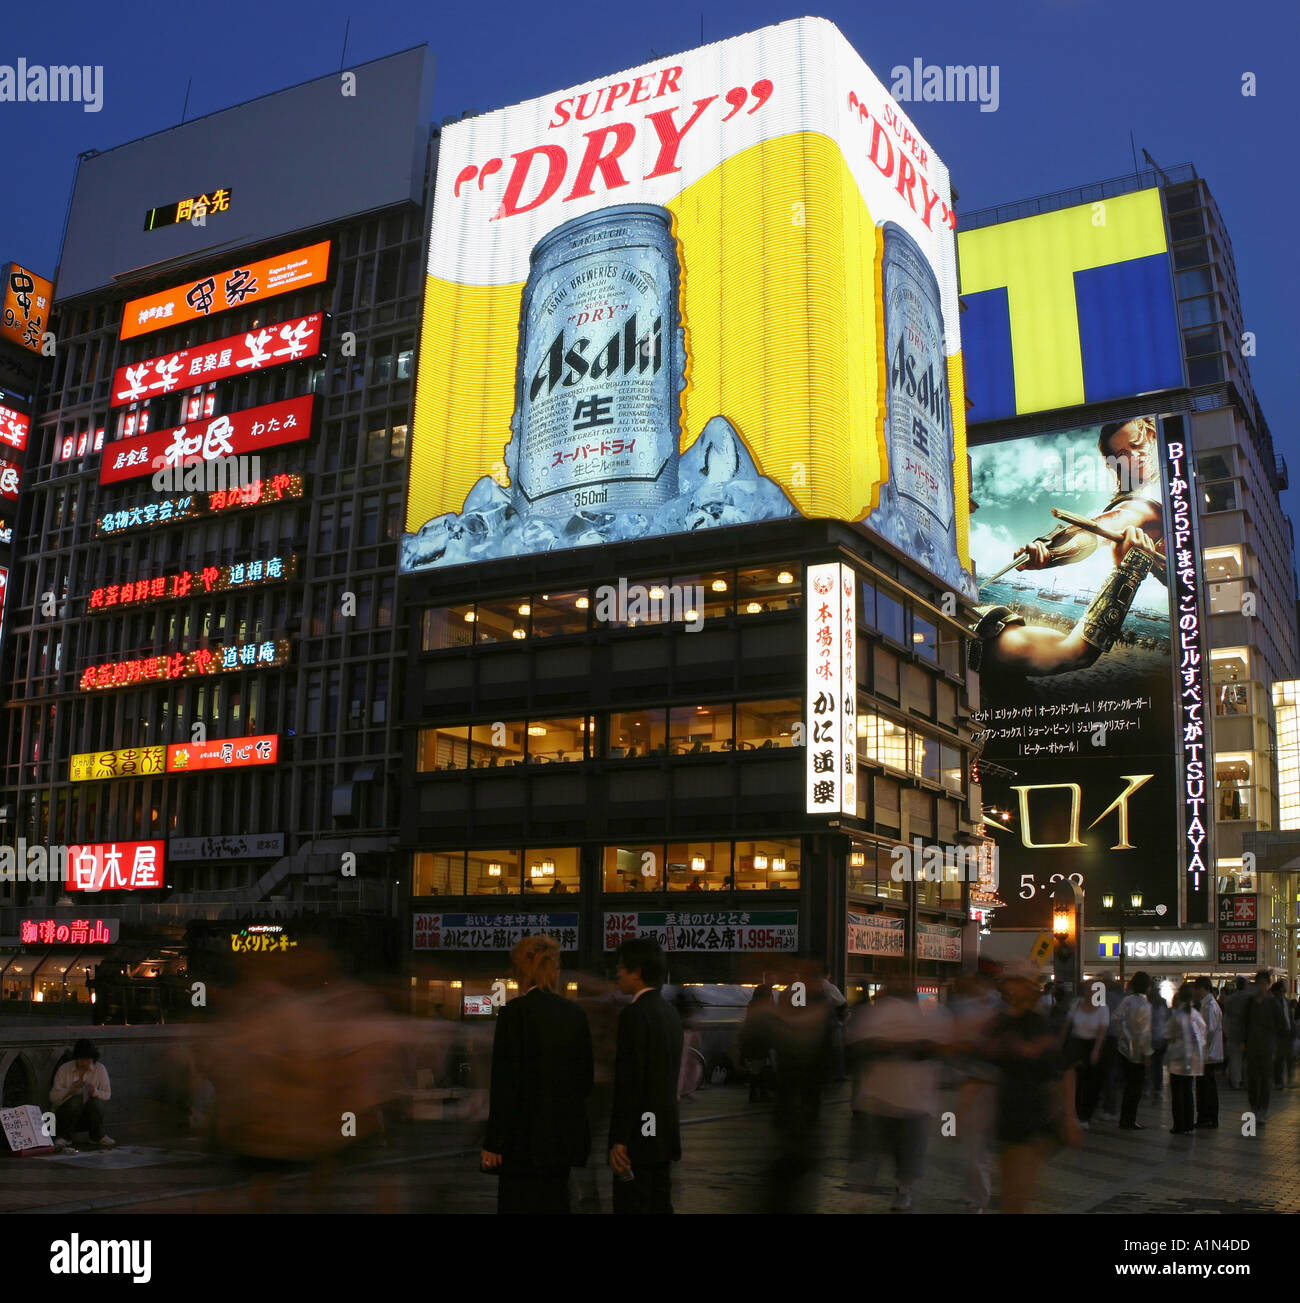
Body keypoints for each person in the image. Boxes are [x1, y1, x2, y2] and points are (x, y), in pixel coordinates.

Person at [481, 934, 594, 1213]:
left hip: (522, 1142)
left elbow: (505, 1083)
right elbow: (584, 1080)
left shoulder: (514, 1014)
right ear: (554, 970)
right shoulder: (575, 1014)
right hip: (561, 1141)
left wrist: (494, 1142)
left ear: (520, 972)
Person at [845, 979, 952, 1212]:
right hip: (904, 1099)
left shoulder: (877, 1015)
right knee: (903, 1151)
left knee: (876, 1150)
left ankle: (868, 1192)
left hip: (888, 1097)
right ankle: (895, 1190)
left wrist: (890, 1046)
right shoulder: (924, 1016)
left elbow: (858, 1047)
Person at [987, 961, 1081, 1213]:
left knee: (1017, 1194)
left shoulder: (1039, 1023)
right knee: (1009, 1192)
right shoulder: (1002, 1021)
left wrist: (1070, 1117)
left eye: (1016, 983)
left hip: (1032, 1114)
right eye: (1007, 983)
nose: (1010, 989)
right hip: (1007, 1112)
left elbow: (1065, 1069)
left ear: (1029, 988)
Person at [609, 937, 683, 1213]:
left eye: (621, 967)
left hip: (638, 1139)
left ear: (637, 971)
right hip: (663, 1135)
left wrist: (620, 1138)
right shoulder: (669, 1013)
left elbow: (631, 1081)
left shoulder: (634, 1014)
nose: (617, 973)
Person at [948, 973, 1003, 1213]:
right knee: (976, 1145)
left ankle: (977, 1197)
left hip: (985, 1083)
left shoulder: (997, 1009)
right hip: (972, 1081)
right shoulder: (964, 1007)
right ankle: (977, 1196)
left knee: (978, 1145)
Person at [50, 1039, 115, 1148]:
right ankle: (65, 1137)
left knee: (95, 1102)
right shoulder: (65, 1069)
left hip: (88, 1116)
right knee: (76, 1100)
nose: (83, 1063)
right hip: (65, 1115)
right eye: (80, 1059)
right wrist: (70, 1090)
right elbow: (52, 1097)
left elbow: (107, 1094)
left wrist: (94, 1091)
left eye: (87, 1060)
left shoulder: (100, 1069)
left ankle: (97, 1135)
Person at [1063, 981, 1109, 1128]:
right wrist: (1060, 1043)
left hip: (1094, 1044)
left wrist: (1096, 1050)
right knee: (1077, 1082)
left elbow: (1102, 1030)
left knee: (1092, 1083)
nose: (1090, 992)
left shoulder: (1103, 1008)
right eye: (1087, 990)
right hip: (1077, 1045)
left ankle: (1086, 1116)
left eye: (1093, 990)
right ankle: (1074, 1114)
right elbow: (1067, 1025)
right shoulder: (1077, 1005)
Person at [1243, 970, 1286, 1123]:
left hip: (1268, 1046)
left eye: (1263, 984)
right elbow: (1245, 1023)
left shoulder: (1274, 1003)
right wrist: (1244, 1042)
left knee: (1265, 1079)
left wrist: (1279, 1046)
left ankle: (1262, 1109)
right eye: (1258, 984)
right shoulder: (1250, 1002)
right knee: (1253, 1079)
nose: (1260, 987)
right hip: (1253, 1045)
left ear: (1268, 985)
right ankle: (1254, 1106)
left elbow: (1282, 1025)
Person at [1165, 983, 1206, 1135]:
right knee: (1188, 1092)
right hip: (1193, 1060)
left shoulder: (1178, 1015)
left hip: (1178, 1059)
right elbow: (1203, 1035)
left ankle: (1179, 1124)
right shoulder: (1196, 1015)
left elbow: (1168, 1034)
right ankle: (1189, 1124)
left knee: (1177, 1093)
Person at [1114, 973, 1153, 1129]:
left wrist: (1123, 1034)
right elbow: (1145, 1033)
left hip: (1124, 1049)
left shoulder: (1127, 1001)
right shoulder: (1145, 1006)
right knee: (1135, 1088)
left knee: (1128, 1086)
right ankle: (1129, 1120)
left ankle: (1125, 1118)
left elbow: (1115, 1018)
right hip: (1137, 1053)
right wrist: (1148, 1053)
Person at [1193, 977, 1223, 1128]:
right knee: (1207, 1086)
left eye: (1197, 989)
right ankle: (1208, 1117)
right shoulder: (1209, 1004)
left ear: (1203, 988)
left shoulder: (1209, 1005)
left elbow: (1209, 1029)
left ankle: (1207, 1117)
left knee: (1206, 1087)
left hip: (1207, 1054)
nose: (1196, 992)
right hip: (1209, 1053)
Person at [739, 984, 776, 1104]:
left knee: (756, 1067)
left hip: (752, 1039)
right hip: (761, 1040)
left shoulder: (753, 1005)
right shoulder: (766, 1008)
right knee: (760, 1066)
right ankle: (759, 1093)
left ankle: (755, 1093)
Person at [1222, 976, 1251, 1089]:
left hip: (1233, 1031)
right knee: (1247, 1059)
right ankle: (1246, 1081)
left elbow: (1227, 1015)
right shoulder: (1249, 998)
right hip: (1247, 1032)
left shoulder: (1229, 999)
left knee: (1235, 1058)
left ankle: (1236, 1081)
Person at [1147, 985, 1170, 1102]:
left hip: (1150, 1038)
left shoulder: (1147, 1003)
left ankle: (1149, 1087)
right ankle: (1157, 1089)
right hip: (1160, 1038)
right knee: (1158, 1065)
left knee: (1149, 1064)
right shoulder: (1163, 1003)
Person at [1270, 981, 1293, 1088]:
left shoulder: (1286, 1001)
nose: (1287, 987)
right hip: (1278, 1034)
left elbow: (1289, 1017)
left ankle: (1286, 1078)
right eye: (1285, 985)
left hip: (1287, 1033)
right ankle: (1278, 1080)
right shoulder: (1274, 1001)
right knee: (1279, 1057)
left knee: (1287, 1056)